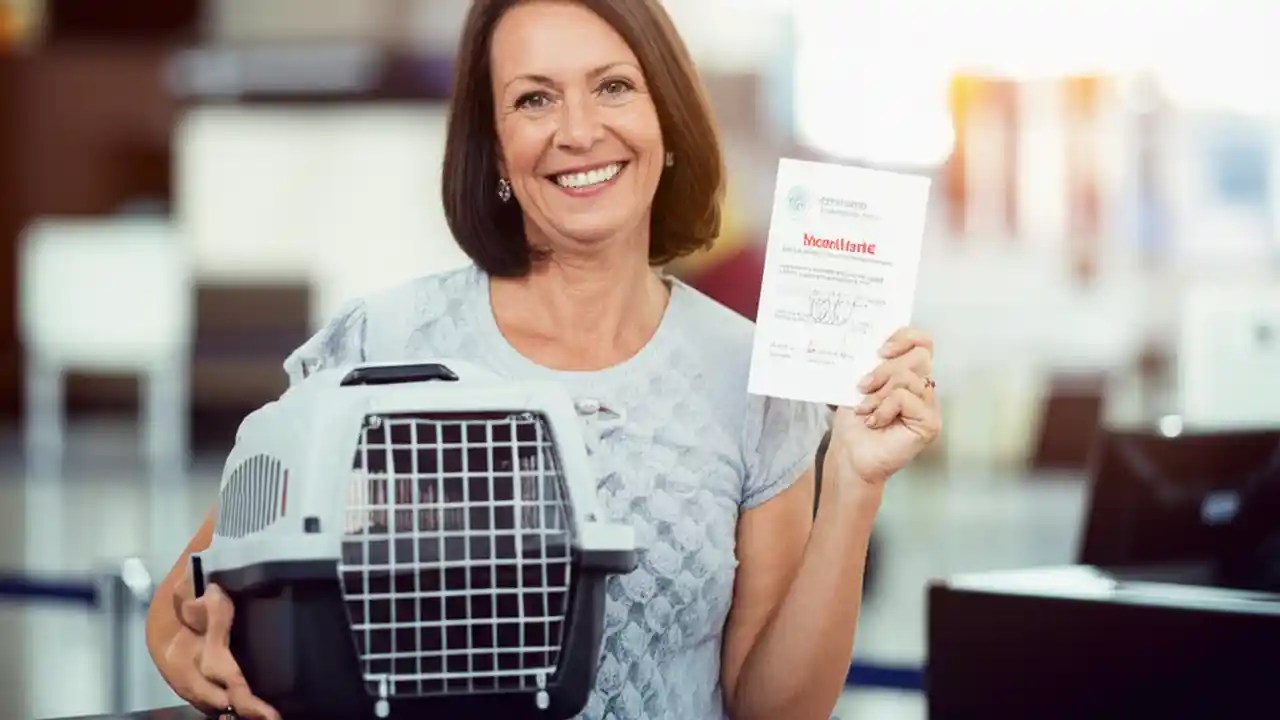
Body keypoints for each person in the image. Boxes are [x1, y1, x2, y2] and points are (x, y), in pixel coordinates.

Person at [144, 1, 942, 718]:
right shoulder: (383, 340)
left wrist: (854, 489)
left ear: (667, 120)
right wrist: (197, 644)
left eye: (614, 87)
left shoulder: (751, 374)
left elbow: (774, 711)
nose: (578, 130)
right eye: (534, 98)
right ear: (494, 150)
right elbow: (188, 599)